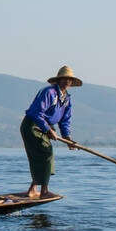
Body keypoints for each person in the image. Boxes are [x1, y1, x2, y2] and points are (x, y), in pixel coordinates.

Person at [21, 65, 83, 198]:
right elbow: (36, 112)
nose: (67, 82)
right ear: (59, 80)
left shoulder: (67, 99)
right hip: (32, 125)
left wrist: (68, 140)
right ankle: (44, 191)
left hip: (44, 127)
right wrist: (47, 129)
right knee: (45, 152)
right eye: (64, 79)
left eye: (69, 80)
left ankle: (33, 189)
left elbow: (65, 121)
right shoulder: (49, 92)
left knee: (42, 156)